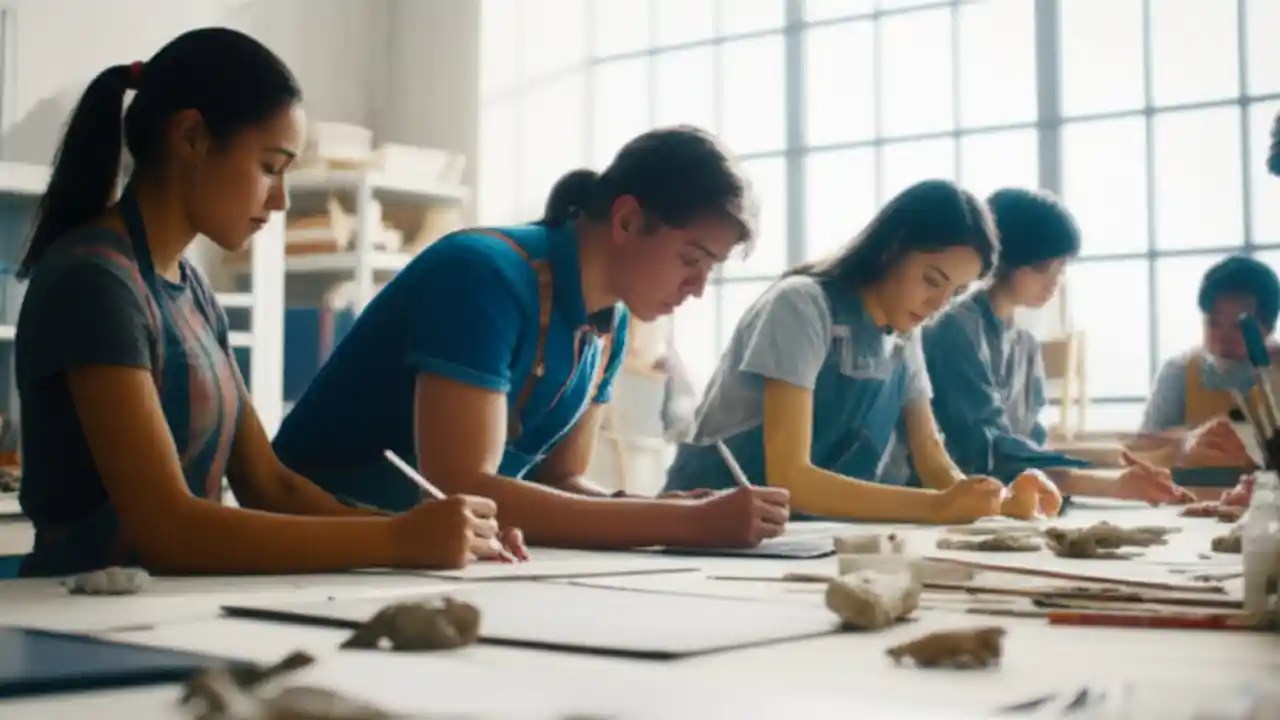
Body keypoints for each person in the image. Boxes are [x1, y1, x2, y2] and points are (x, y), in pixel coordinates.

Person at [15, 28, 509, 577]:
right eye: (270, 167)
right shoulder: (95, 282)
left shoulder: (190, 288)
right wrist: (397, 539)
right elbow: (168, 531)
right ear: (193, 136)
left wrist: (438, 534)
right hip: (80, 617)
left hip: (160, 606)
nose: (280, 200)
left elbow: (268, 483)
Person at [273, 127, 790, 549]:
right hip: (317, 538)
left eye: (710, 269)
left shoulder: (612, 321)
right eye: (692, 259)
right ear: (628, 221)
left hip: (433, 550)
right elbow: (462, 485)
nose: (698, 288)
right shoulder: (483, 273)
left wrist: (644, 507)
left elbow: (556, 482)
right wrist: (685, 524)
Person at [663, 179, 1006, 523]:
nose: (938, 305)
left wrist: (995, 507)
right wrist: (938, 506)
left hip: (803, 535)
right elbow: (790, 478)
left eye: (956, 293)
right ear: (892, 249)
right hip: (710, 528)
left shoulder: (904, 336)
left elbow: (931, 458)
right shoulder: (801, 304)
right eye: (932, 280)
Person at [921, 188, 1192, 503]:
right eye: (1040, 268)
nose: (1052, 282)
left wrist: (1122, 459)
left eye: (1060, 269)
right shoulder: (954, 328)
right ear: (999, 261)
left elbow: (1031, 446)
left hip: (1014, 501)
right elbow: (985, 452)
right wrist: (1108, 484)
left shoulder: (1025, 344)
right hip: (959, 501)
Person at [1141, 255, 1280, 465]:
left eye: (1238, 326)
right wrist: (1185, 443)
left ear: (1268, 329)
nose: (1223, 336)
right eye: (1213, 323)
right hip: (1194, 493)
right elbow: (1145, 447)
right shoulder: (1179, 372)